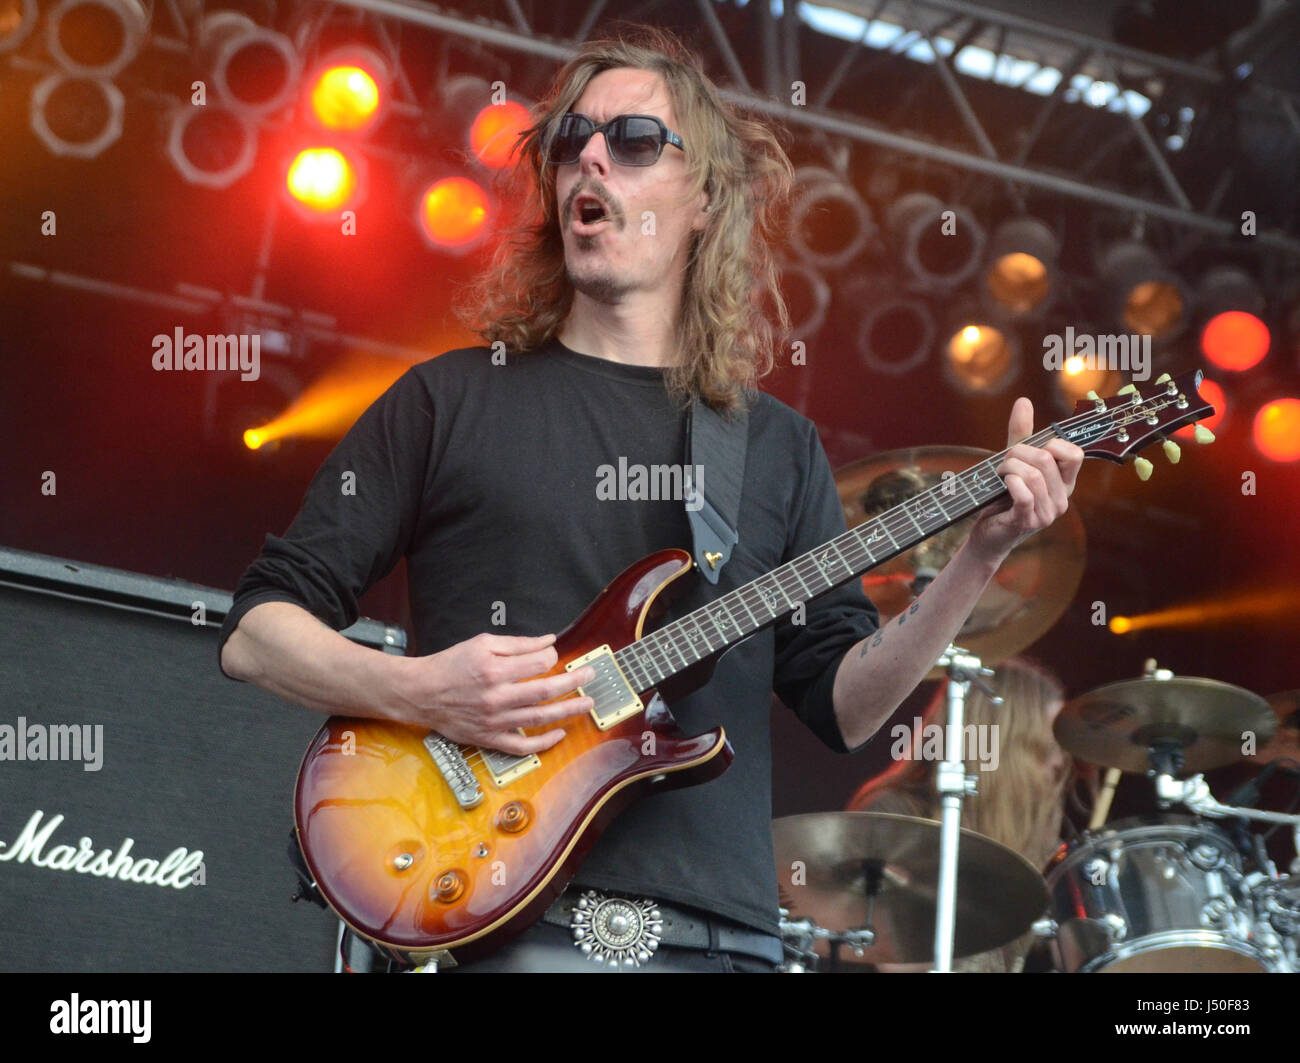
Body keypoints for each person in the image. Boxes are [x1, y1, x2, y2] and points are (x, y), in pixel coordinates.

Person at [217, 26, 1084, 973]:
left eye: (633, 138)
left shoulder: (775, 447)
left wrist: (979, 555)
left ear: (704, 197)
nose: (592, 154)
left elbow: (845, 708)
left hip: (720, 938)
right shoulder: (449, 399)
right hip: (490, 920)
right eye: (570, 141)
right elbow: (258, 631)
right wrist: (424, 692)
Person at [847, 658, 1093, 972]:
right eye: (1047, 746)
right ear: (1005, 743)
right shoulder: (897, 817)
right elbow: (896, 964)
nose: (1061, 762)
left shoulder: (1045, 845)